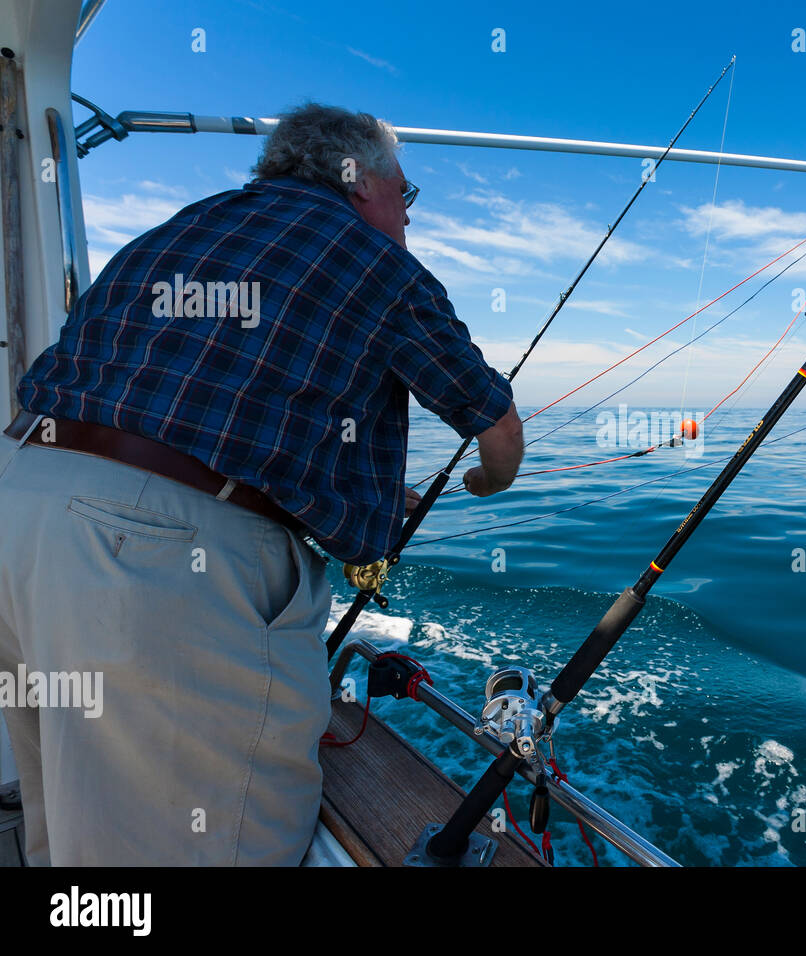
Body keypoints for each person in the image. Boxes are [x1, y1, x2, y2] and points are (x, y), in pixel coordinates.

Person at [0, 102, 523, 865]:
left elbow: (206, 405)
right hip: (148, 559)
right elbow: (497, 429)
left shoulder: (178, 230)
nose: (407, 221)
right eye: (405, 199)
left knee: (71, 814)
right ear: (363, 182)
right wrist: (482, 480)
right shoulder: (379, 264)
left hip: (22, 509)